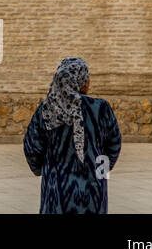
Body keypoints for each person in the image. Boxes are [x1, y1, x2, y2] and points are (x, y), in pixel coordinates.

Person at [22, 57, 121, 214]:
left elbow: (32, 148)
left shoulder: (47, 109)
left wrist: (44, 169)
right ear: (82, 81)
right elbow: (114, 144)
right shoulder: (101, 108)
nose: (89, 81)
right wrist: (100, 172)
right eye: (87, 77)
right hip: (93, 193)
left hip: (57, 193)